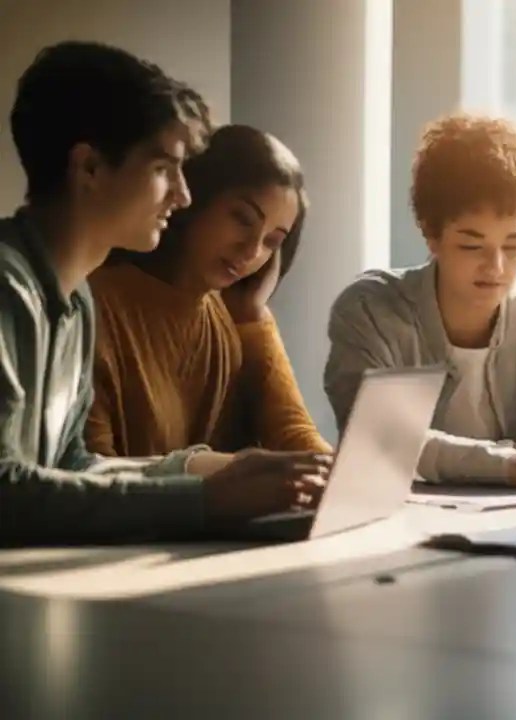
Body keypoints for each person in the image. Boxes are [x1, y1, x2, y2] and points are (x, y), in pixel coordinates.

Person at [0, 41, 327, 544]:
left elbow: (74, 467)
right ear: (88, 167)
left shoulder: (74, 303)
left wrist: (217, 474)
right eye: (162, 169)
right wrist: (204, 500)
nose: (183, 193)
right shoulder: (8, 288)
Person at [324, 112, 516, 489]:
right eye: (472, 245)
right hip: (412, 533)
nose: (496, 266)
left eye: (513, 244)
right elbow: (381, 444)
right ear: (431, 235)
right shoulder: (371, 310)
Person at [87, 124, 331, 458]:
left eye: (272, 242)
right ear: (194, 197)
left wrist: (255, 320)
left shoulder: (238, 316)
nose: (251, 251)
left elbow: (294, 435)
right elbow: (89, 472)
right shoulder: (95, 302)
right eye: (242, 219)